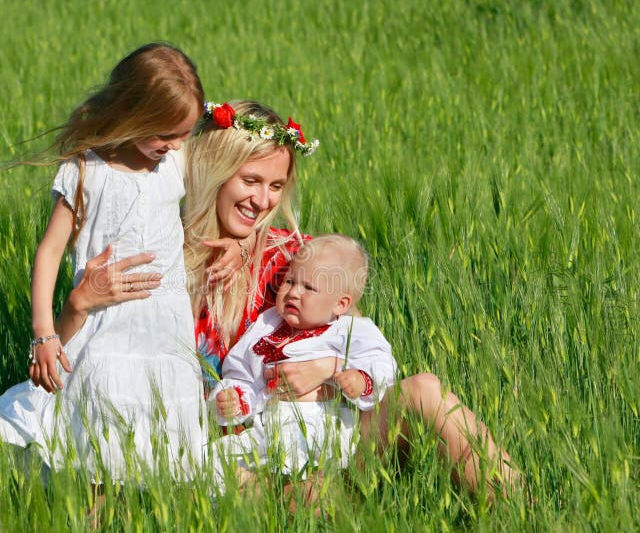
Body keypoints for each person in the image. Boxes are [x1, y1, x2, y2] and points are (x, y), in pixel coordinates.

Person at [56, 99, 520, 498]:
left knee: (424, 391)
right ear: (214, 171)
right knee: (261, 489)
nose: (262, 200)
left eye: (275, 186)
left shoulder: (293, 258)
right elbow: (87, 361)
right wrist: (77, 305)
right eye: (250, 180)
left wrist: (331, 370)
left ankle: (523, 507)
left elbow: (354, 332)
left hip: (329, 433)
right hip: (232, 453)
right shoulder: (163, 251)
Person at [0, 43, 208, 483]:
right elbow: (49, 251)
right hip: (106, 330)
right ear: (132, 114)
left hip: (166, 330)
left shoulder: (173, 162)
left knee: (168, 449)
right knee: (100, 449)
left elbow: (215, 193)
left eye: (184, 134)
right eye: (163, 135)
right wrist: (43, 334)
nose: (173, 145)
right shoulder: (87, 170)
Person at [210, 234, 397, 488]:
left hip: (326, 425)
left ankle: (301, 490)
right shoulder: (267, 323)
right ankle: (265, 490)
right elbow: (242, 372)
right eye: (289, 281)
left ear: (340, 304)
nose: (293, 293)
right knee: (211, 461)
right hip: (270, 427)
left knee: (319, 458)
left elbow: (382, 363)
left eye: (308, 288)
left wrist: (360, 379)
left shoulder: (350, 329)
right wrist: (237, 397)